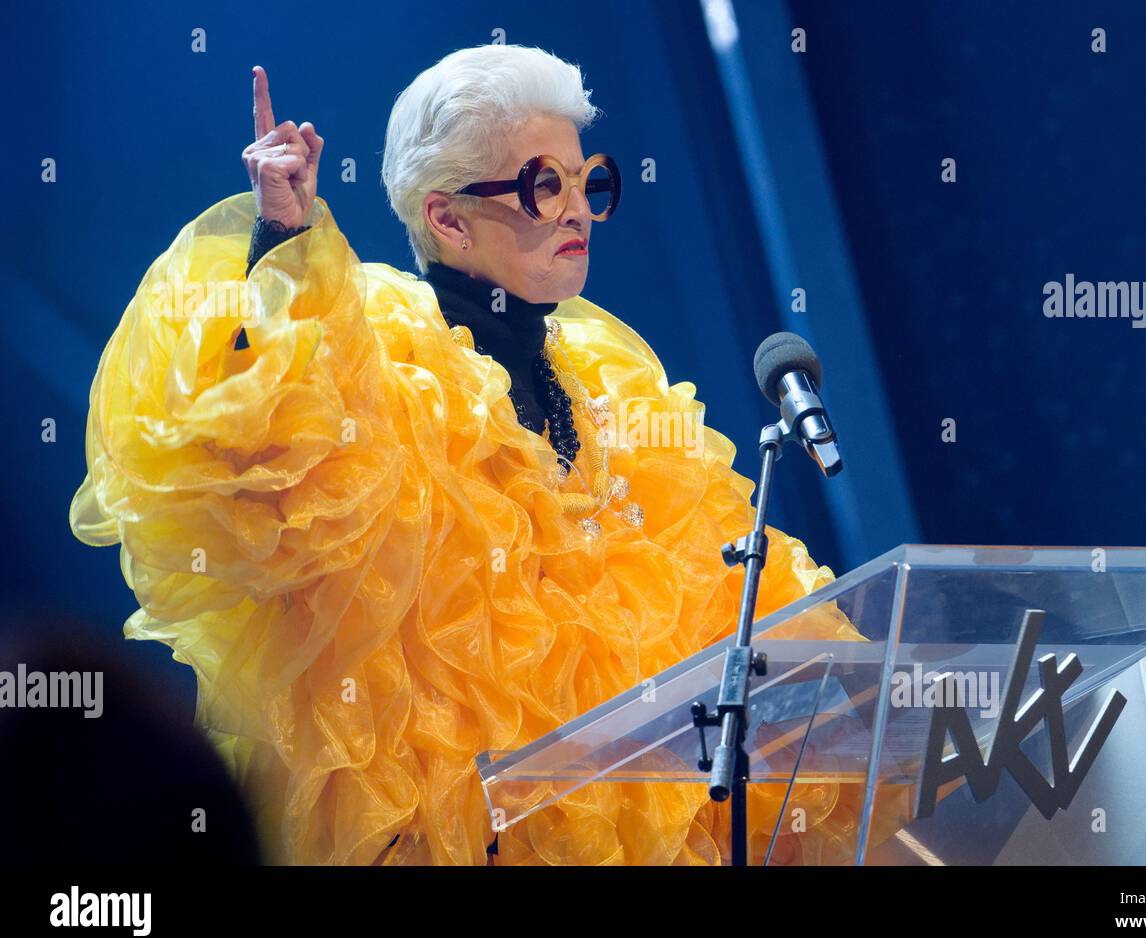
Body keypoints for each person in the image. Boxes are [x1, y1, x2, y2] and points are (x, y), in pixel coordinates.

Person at [70, 44, 858, 865]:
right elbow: (257, 467)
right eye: (542, 184)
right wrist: (281, 240)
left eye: (586, 181)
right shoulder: (376, 355)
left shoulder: (617, 388)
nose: (578, 210)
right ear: (447, 218)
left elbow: (735, 615)